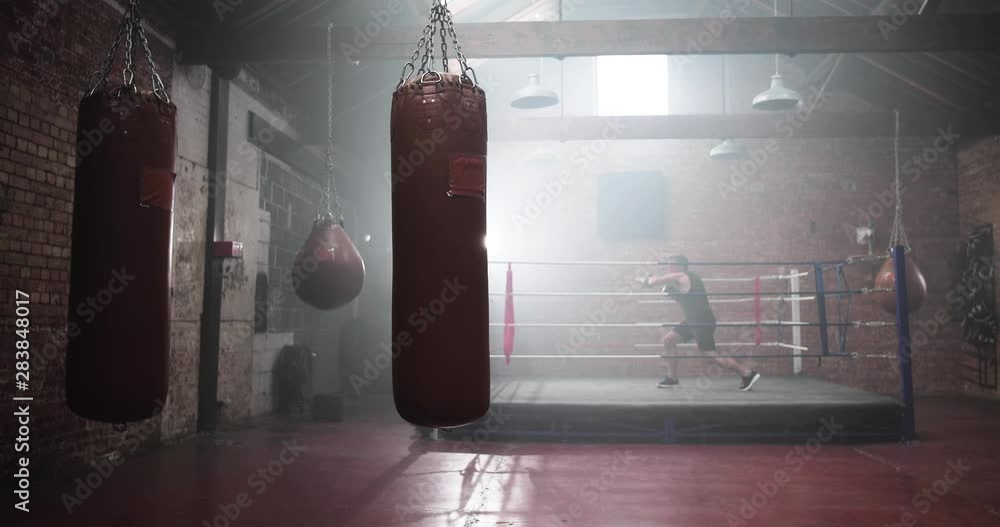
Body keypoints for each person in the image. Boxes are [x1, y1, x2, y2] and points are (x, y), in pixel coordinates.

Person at [636, 254, 761, 391]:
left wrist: (640, 279)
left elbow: (653, 282)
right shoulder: (680, 279)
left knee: (710, 355)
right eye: (668, 264)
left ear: (682, 266)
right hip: (691, 320)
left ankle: (747, 373)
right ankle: (672, 378)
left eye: (673, 264)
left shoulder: (681, 276)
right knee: (669, 341)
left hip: (702, 320)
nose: (669, 267)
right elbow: (664, 284)